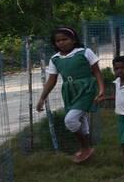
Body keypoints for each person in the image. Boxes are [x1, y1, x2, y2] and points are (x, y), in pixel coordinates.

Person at [34, 27, 105, 163]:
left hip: (86, 88)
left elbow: (96, 72)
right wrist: (42, 98)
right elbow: (51, 80)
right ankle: (88, 153)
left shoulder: (84, 52)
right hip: (69, 91)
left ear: (73, 40)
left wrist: (101, 90)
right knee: (81, 119)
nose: (61, 43)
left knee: (70, 120)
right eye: (57, 41)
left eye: (64, 39)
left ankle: (86, 147)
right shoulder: (55, 59)